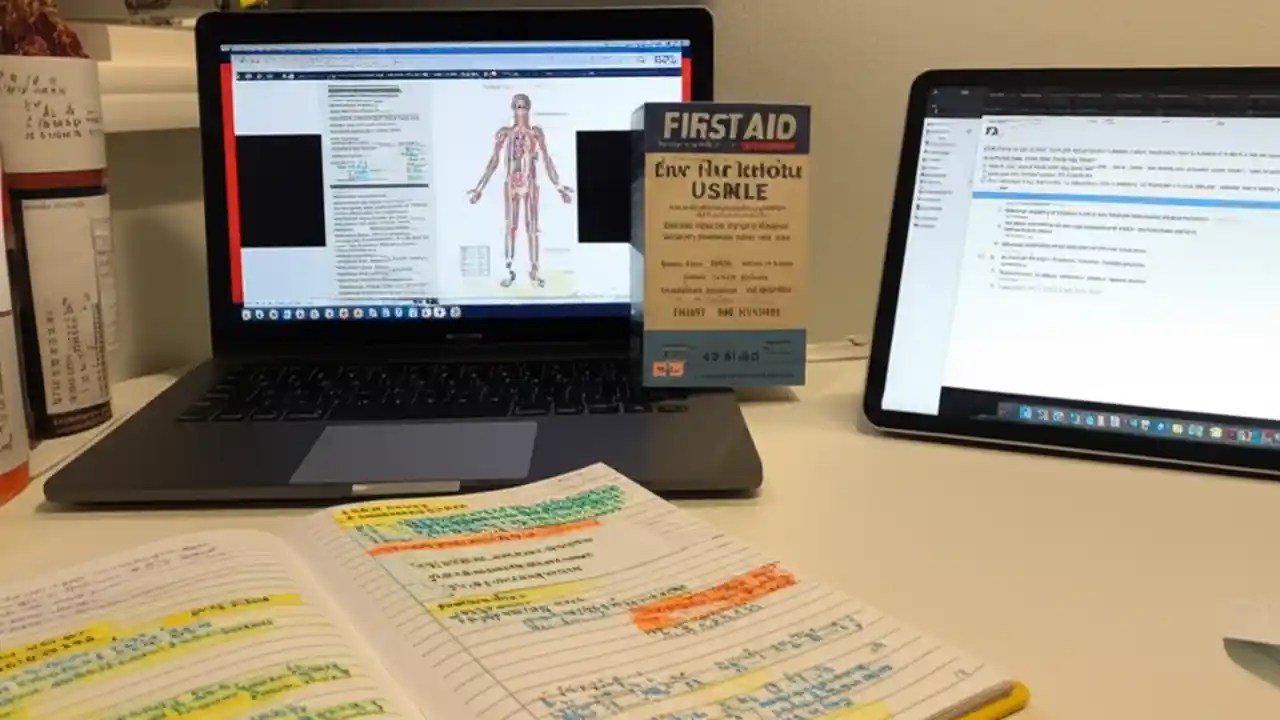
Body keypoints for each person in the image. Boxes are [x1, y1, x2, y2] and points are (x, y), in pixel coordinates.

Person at [468, 93, 574, 288]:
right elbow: (494, 161)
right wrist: (479, 188)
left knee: (532, 227)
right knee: (511, 227)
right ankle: (510, 270)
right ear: (513, 109)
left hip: (530, 181)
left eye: (524, 106)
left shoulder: (536, 133)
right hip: (511, 183)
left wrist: (559, 187)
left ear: (529, 109)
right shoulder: (505, 133)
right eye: (518, 106)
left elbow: (547, 159)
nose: (521, 110)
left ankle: (534, 271)